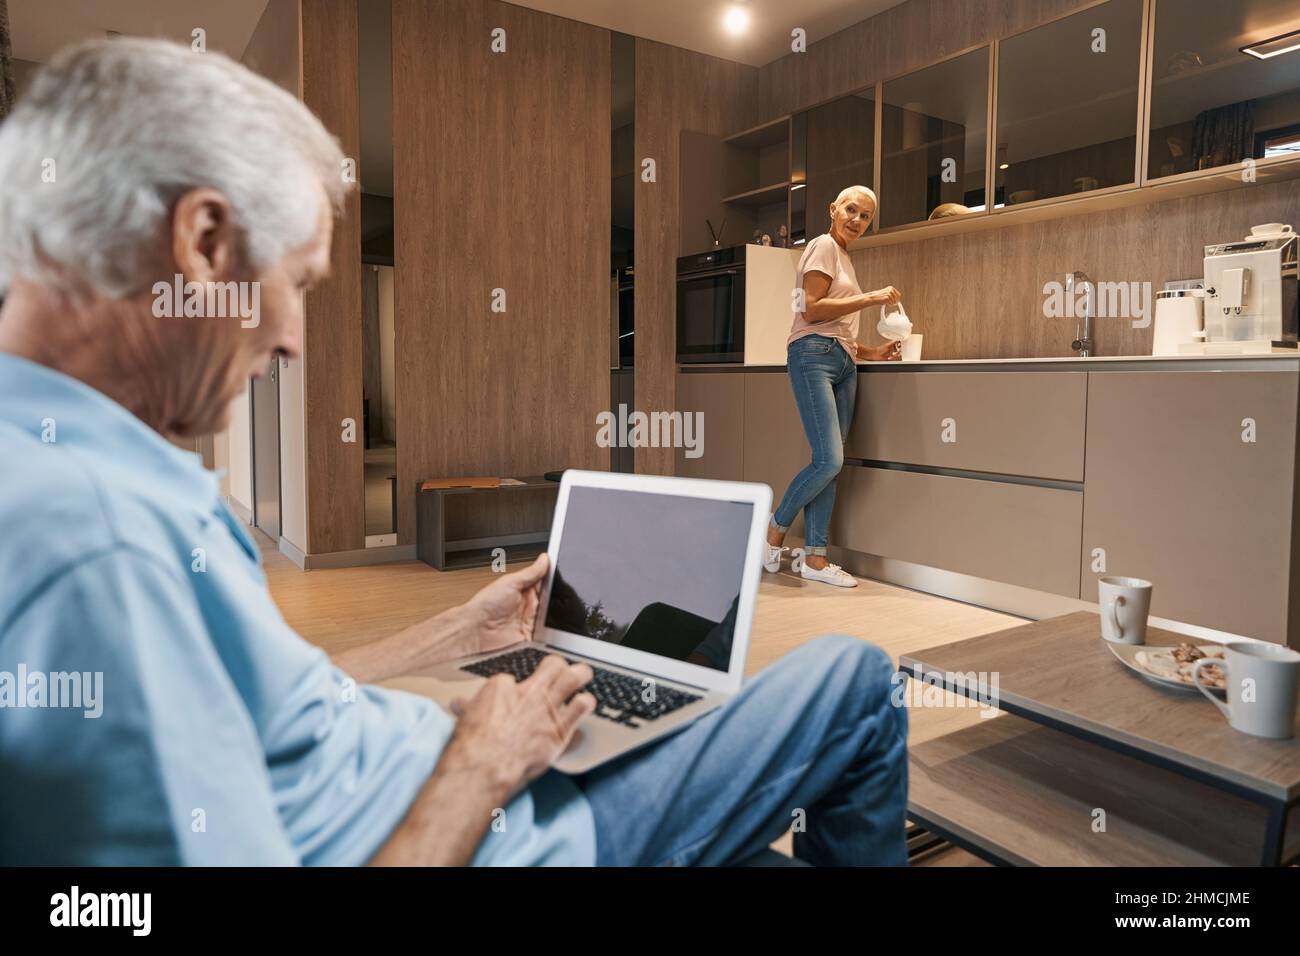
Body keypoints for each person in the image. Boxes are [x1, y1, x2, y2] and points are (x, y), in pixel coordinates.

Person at [0, 39, 907, 866]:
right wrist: (482, 766)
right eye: (296, 285)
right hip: (508, 827)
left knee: (656, 649)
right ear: (201, 244)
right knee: (856, 679)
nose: (291, 340)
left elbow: (260, 710)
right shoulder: (95, 541)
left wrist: (457, 632)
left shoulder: (66, 460)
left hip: (451, 771)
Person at [763, 186, 902, 589]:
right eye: (851, 210)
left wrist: (870, 352)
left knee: (831, 465)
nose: (857, 220)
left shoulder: (844, 257)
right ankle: (774, 531)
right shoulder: (824, 245)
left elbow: (838, 327)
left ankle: (815, 559)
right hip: (813, 355)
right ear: (833, 209)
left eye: (865, 217)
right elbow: (810, 307)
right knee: (829, 460)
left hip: (842, 359)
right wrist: (871, 298)